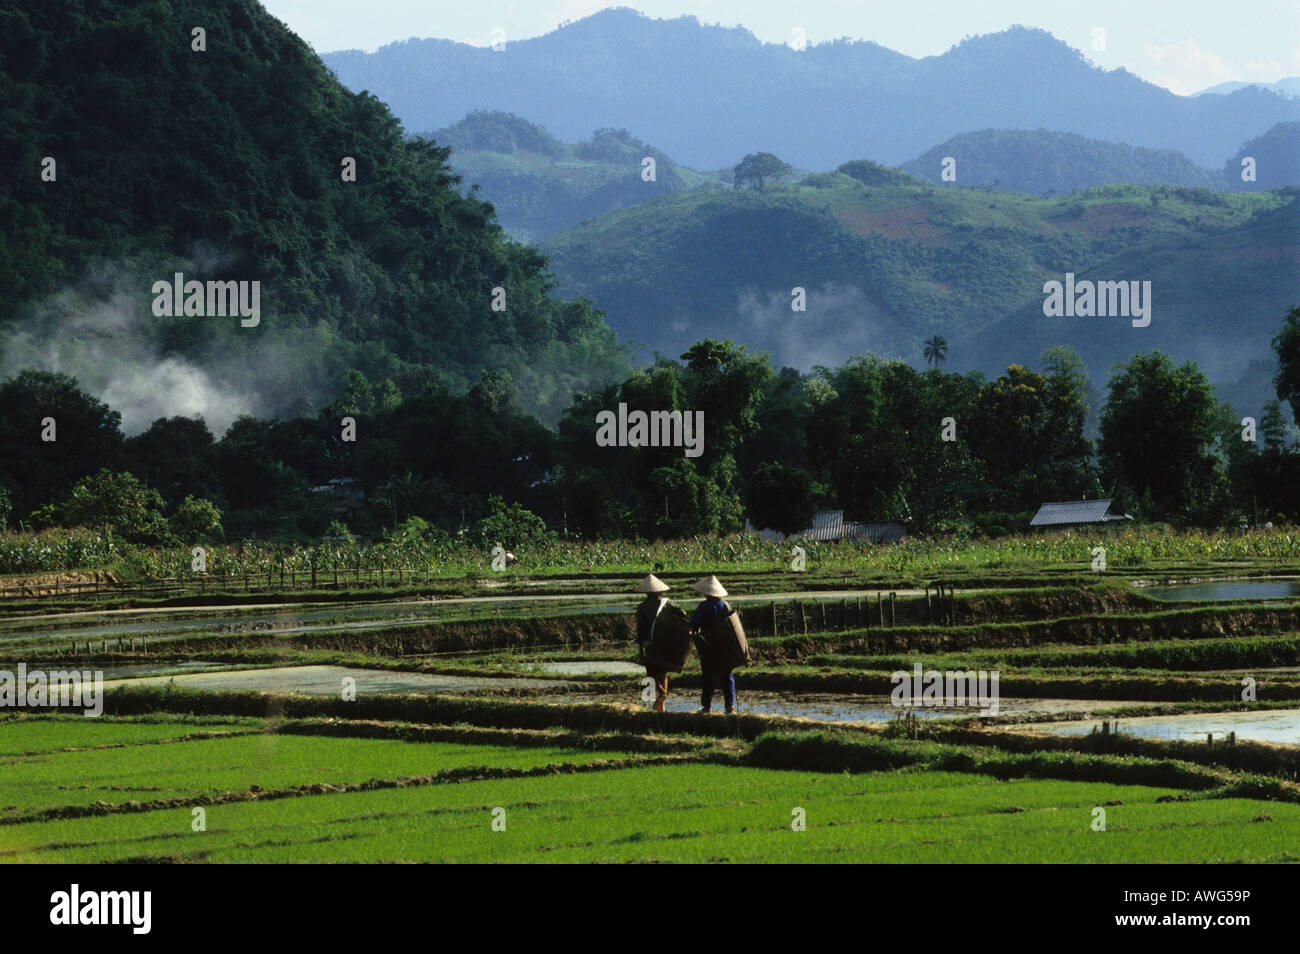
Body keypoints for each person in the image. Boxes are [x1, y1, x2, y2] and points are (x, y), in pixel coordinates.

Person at [690, 575, 738, 714]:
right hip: (724, 646)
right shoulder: (725, 605)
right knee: (727, 677)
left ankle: (706, 707)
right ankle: (730, 707)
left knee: (708, 678)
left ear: (706, 592)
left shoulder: (703, 607)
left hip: (709, 646)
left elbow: (694, 625)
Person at [634, 573, 672, 711]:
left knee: (650, 673)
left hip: (649, 645)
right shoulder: (667, 605)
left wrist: (640, 649)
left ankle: (651, 703)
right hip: (664, 644)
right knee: (663, 672)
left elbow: (640, 630)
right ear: (660, 591)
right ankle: (662, 702)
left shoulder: (642, 607)